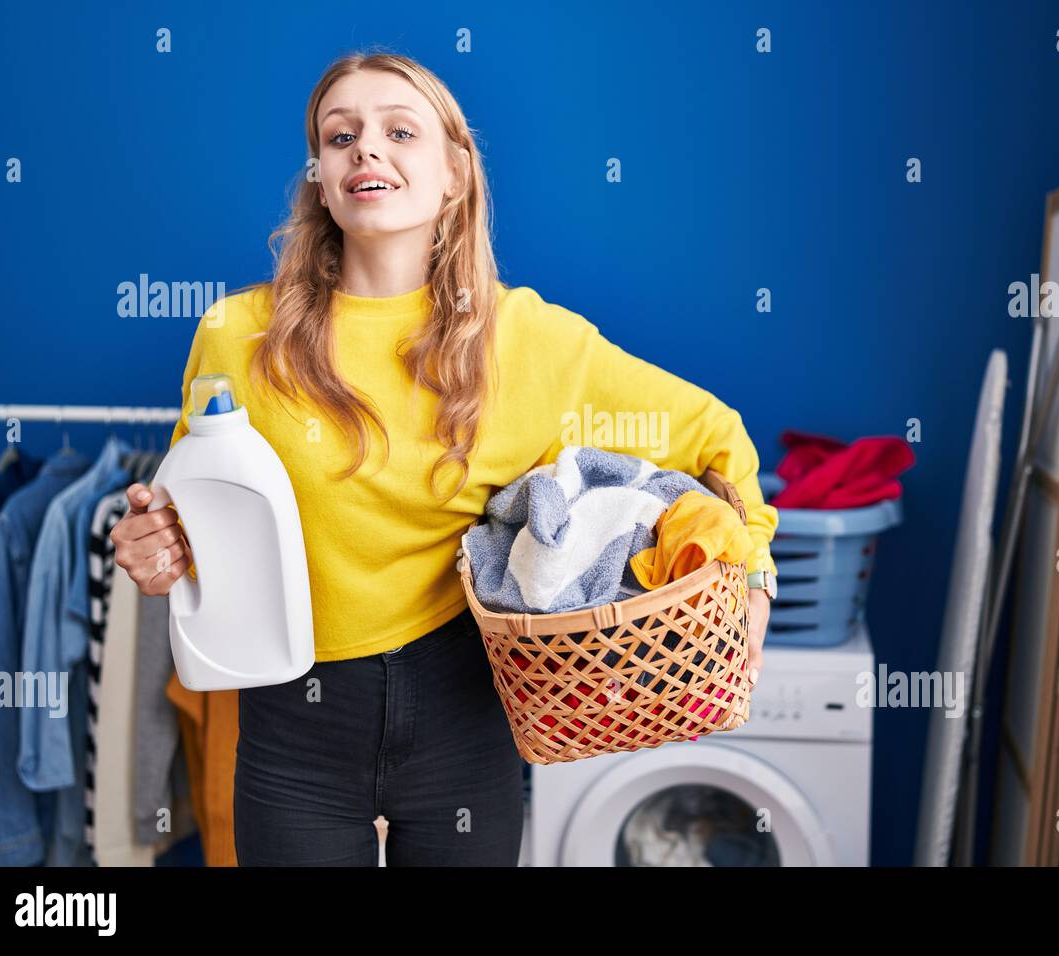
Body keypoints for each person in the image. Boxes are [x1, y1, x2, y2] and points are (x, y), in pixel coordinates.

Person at [110, 50, 778, 867]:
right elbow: (188, 525)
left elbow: (717, 434)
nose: (366, 150)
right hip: (295, 722)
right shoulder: (237, 337)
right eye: (341, 135)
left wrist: (752, 577)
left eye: (399, 131)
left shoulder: (531, 341)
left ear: (455, 172)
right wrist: (156, 549)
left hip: (464, 712)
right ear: (320, 174)